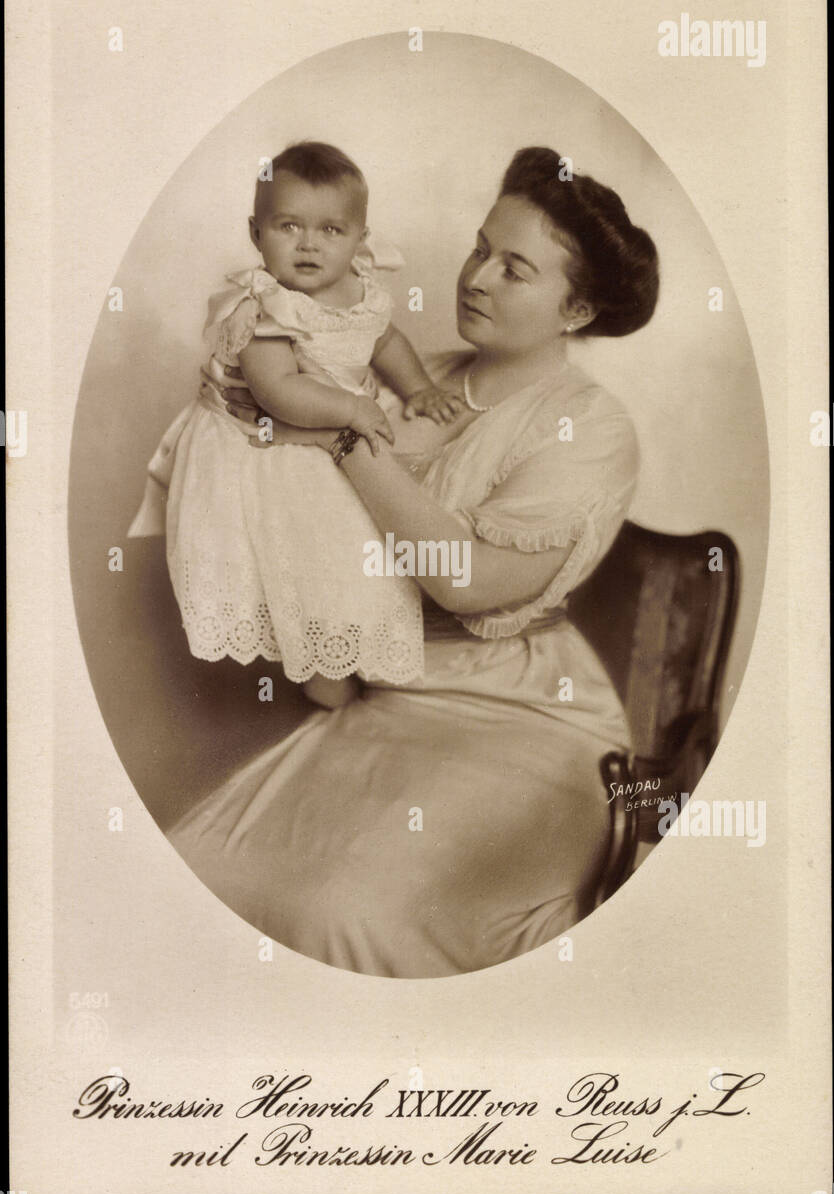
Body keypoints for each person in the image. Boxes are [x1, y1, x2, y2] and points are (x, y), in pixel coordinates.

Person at [168, 146, 660, 978]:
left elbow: (463, 579)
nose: (477, 277)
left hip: (524, 715)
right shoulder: (414, 373)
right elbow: (283, 490)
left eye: (516, 269)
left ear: (575, 312)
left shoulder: (589, 426)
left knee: (346, 912)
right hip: (384, 692)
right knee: (201, 865)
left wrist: (335, 434)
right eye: (479, 248)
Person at [128, 141, 463, 709]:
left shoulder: (357, 289)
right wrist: (352, 409)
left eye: (331, 230)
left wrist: (419, 388)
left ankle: (365, 649)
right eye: (288, 226)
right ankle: (323, 667)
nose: (309, 244)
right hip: (261, 440)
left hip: (318, 422)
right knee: (313, 554)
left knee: (365, 547)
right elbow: (278, 391)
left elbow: (383, 339)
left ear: (360, 237)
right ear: (256, 232)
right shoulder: (265, 307)